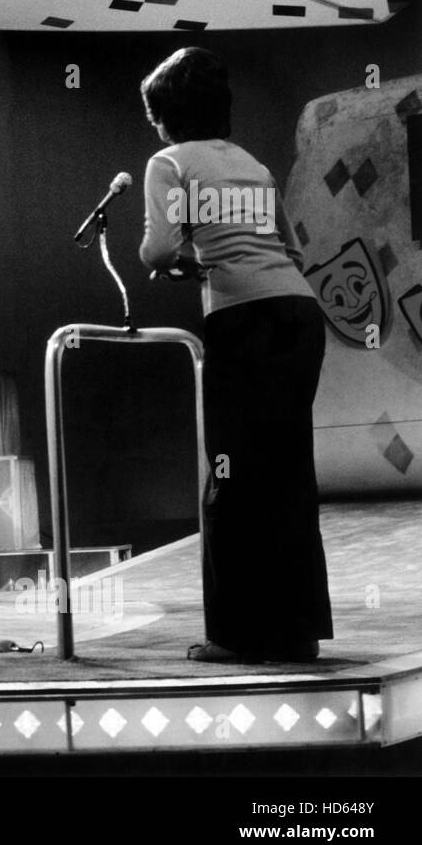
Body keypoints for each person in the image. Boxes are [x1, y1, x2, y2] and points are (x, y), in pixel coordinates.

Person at [137, 47, 332, 663]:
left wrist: (183, 265)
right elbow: (289, 251)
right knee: (287, 475)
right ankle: (296, 633)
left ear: (166, 115)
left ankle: (234, 634)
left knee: (229, 477)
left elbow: (155, 249)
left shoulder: (167, 162)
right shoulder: (253, 164)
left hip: (242, 322)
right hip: (298, 318)